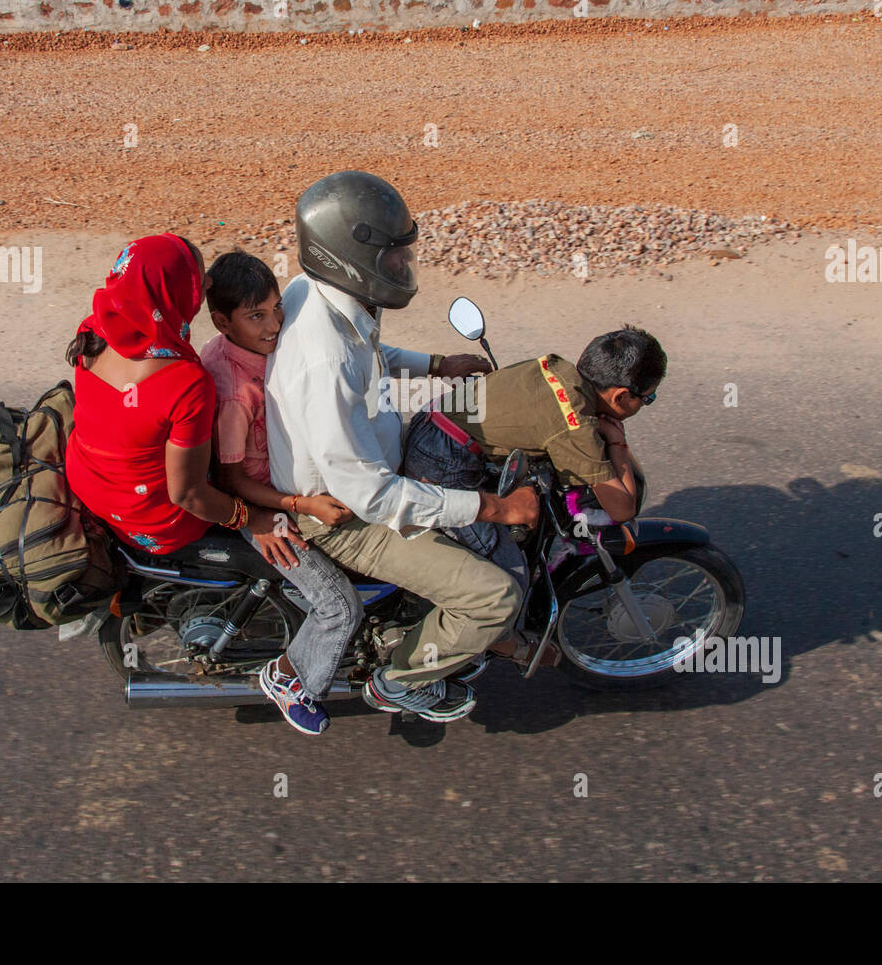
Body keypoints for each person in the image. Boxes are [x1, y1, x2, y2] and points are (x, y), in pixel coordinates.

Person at [264, 171, 539, 724]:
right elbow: (369, 496)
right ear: (348, 255)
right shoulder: (324, 361)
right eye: (392, 258)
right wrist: (495, 507)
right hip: (346, 516)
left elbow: (369, 353)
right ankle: (399, 681)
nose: (400, 267)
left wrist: (438, 364)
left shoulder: (316, 291)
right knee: (494, 598)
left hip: (372, 467)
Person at [401, 327, 664, 663]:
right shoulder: (575, 428)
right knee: (507, 576)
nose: (645, 404)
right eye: (648, 398)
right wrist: (616, 442)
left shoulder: (555, 366)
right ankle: (498, 640)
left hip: (435, 429)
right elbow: (623, 507)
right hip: (443, 464)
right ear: (621, 397)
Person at [63, 233, 306, 583]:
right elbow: (187, 494)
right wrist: (254, 518)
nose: (207, 284)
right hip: (156, 523)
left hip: (90, 486)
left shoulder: (95, 328)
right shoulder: (186, 382)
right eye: (197, 279)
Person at [199, 248, 363, 737]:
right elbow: (231, 481)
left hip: (285, 480)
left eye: (276, 309)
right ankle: (291, 678)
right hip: (259, 505)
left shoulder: (258, 349)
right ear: (222, 322)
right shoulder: (234, 392)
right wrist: (298, 506)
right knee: (339, 606)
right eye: (256, 316)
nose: (273, 325)